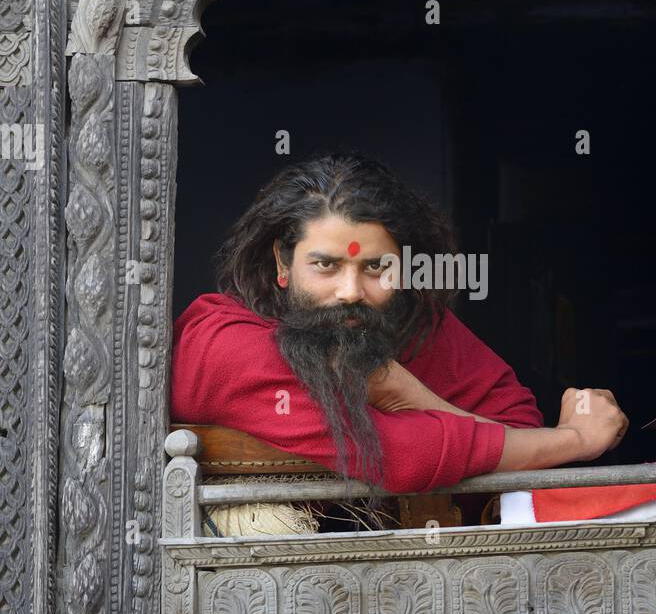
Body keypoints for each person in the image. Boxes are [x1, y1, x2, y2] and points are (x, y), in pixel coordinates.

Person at [171, 152, 628, 495]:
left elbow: (517, 425)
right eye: (326, 266)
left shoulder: (398, 322)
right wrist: (574, 441)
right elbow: (400, 453)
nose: (351, 291)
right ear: (282, 262)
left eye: (376, 268)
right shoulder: (222, 348)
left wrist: (408, 394)